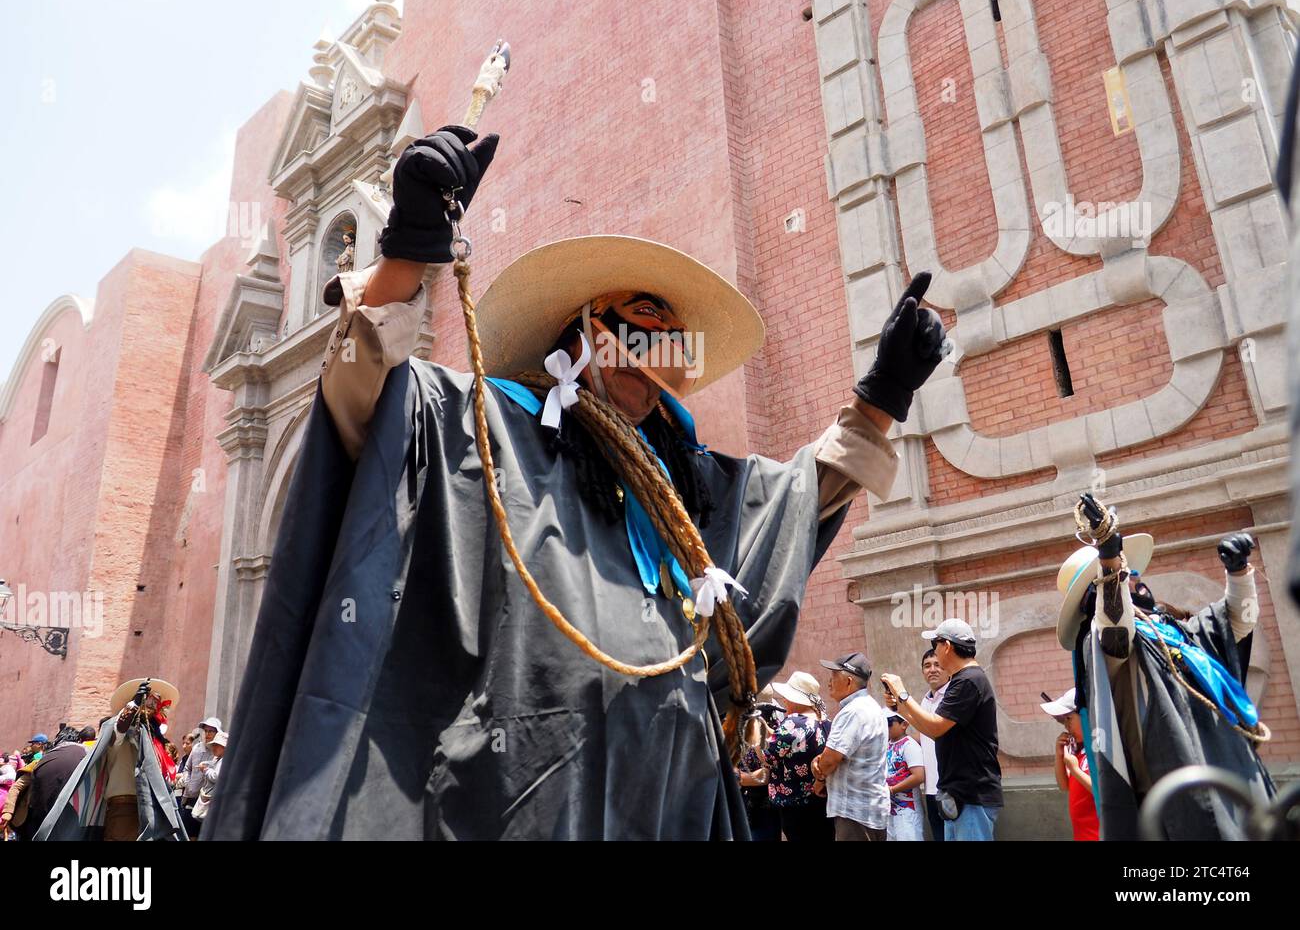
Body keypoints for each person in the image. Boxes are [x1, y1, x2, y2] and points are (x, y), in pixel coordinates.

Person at [204, 122, 948, 840]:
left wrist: (880, 400)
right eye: (640, 323)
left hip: (669, 802)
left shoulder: (686, 485)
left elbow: (793, 502)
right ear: (585, 332)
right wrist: (408, 252)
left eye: (669, 340)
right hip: (520, 797)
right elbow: (369, 395)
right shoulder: (489, 427)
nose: (656, 351)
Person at [1061, 494, 1273, 839]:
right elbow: (1115, 624)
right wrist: (1109, 558)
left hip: (1232, 763)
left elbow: (1238, 623)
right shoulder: (1105, 644)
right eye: (1125, 573)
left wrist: (1239, 575)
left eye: (1132, 571)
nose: (1133, 576)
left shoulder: (1175, 630)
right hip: (1182, 784)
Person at [880, 619, 1002, 840]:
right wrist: (900, 705)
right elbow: (930, 727)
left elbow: (936, 727)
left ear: (946, 646)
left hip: (971, 794)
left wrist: (903, 694)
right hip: (957, 794)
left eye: (936, 645)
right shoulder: (962, 680)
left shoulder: (969, 680)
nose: (934, 652)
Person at [34, 678, 186, 841]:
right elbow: (121, 726)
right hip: (125, 807)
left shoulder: (153, 740)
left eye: (156, 701)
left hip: (154, 808)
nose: (152, 704)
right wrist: (134, 704)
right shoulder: (120, 731)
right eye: (148, 699)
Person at [811, 652, 888, 841]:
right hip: (870, 811)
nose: (829, 682)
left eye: (834, 676)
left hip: (854, 813)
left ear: (848, 682)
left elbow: (829, 761)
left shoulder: (852, 712)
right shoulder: (871, 707)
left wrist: (819, 774)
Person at [764, 672, 833, 841]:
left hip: (795, 803)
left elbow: (768, 758)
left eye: (786, 697)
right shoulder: (825, 722)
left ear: (795, 699)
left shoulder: (793, 723)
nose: (784, 700)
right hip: (822, 800)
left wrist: (756, 739)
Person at [1, 727, 94, 842]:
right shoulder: (42, 761)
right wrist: (8, 812)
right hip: (34, 817)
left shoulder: (48, 759)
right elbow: (18, 786)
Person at [1040, 687, 1098, 841]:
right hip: (1082, 835)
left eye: (1069, 718)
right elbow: (1064, 786)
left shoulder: (1098, 750)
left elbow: (1102, 792)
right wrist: (1059, 755)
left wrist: (1075, 769)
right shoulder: (1079, 750)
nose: (1065, 725)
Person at [735, 686, 782, 841]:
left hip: (760, 803)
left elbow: (768, 773)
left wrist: (736, 777)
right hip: (742, 799)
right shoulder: (742, 723)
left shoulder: (769, 727)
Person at [918, 648, 949, 841]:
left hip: (952, 787)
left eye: (938, 664)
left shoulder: (953, 696)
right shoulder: (925, 700)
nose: (932, 669)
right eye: (927, 666)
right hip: (931, 787)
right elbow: (924, 737)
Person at [884, 707, 925, 841]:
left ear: (904, 724)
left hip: (908, 809)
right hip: (890, 808)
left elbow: (919, 776)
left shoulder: (909, 745)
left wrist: (892, 789)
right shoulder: (887, 745)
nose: (886, 727)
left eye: (889, 723)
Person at [181, 718, 220, 836]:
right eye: (205, 731)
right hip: (190, 798)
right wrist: (188, 784)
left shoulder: (218, 751)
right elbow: (187, 768)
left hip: (207, 801)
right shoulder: (196, 748)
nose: (207, 734)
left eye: (211, 731)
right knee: (187, 834)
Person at [191, 731, 227, 823]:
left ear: (224, 747)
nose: (214, 748)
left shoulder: (224, 761)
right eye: (214, 745)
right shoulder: (218, 760)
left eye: (217, 745)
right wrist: (205, 764)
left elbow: (216, 777)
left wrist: (205, 770)